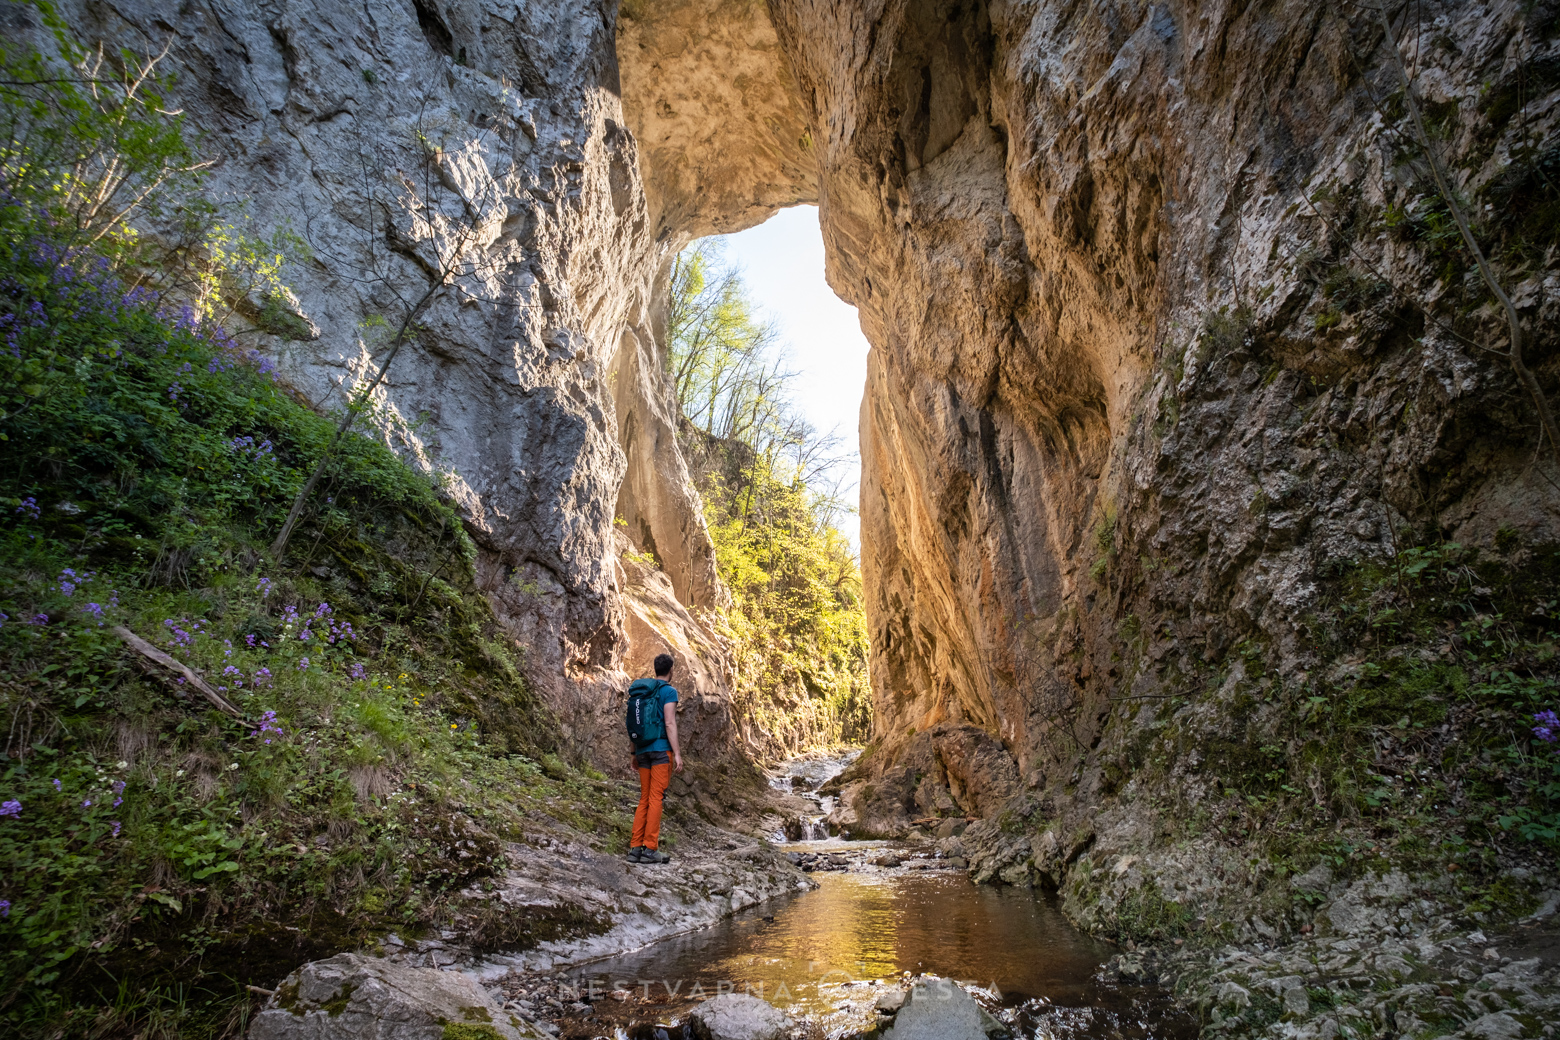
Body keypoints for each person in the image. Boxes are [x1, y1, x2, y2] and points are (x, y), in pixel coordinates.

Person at [626, 652, 683, 863]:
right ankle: (650, 849)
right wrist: (677, 753)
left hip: (642, 750)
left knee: (644, 798)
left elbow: (634, 725)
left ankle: (635, 849)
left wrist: (633, 752)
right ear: (671, 670)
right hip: (660, 751)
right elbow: (669, 723)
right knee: (656, 798)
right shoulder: (669, 692)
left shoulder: (643, 692)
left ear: (655, 669)